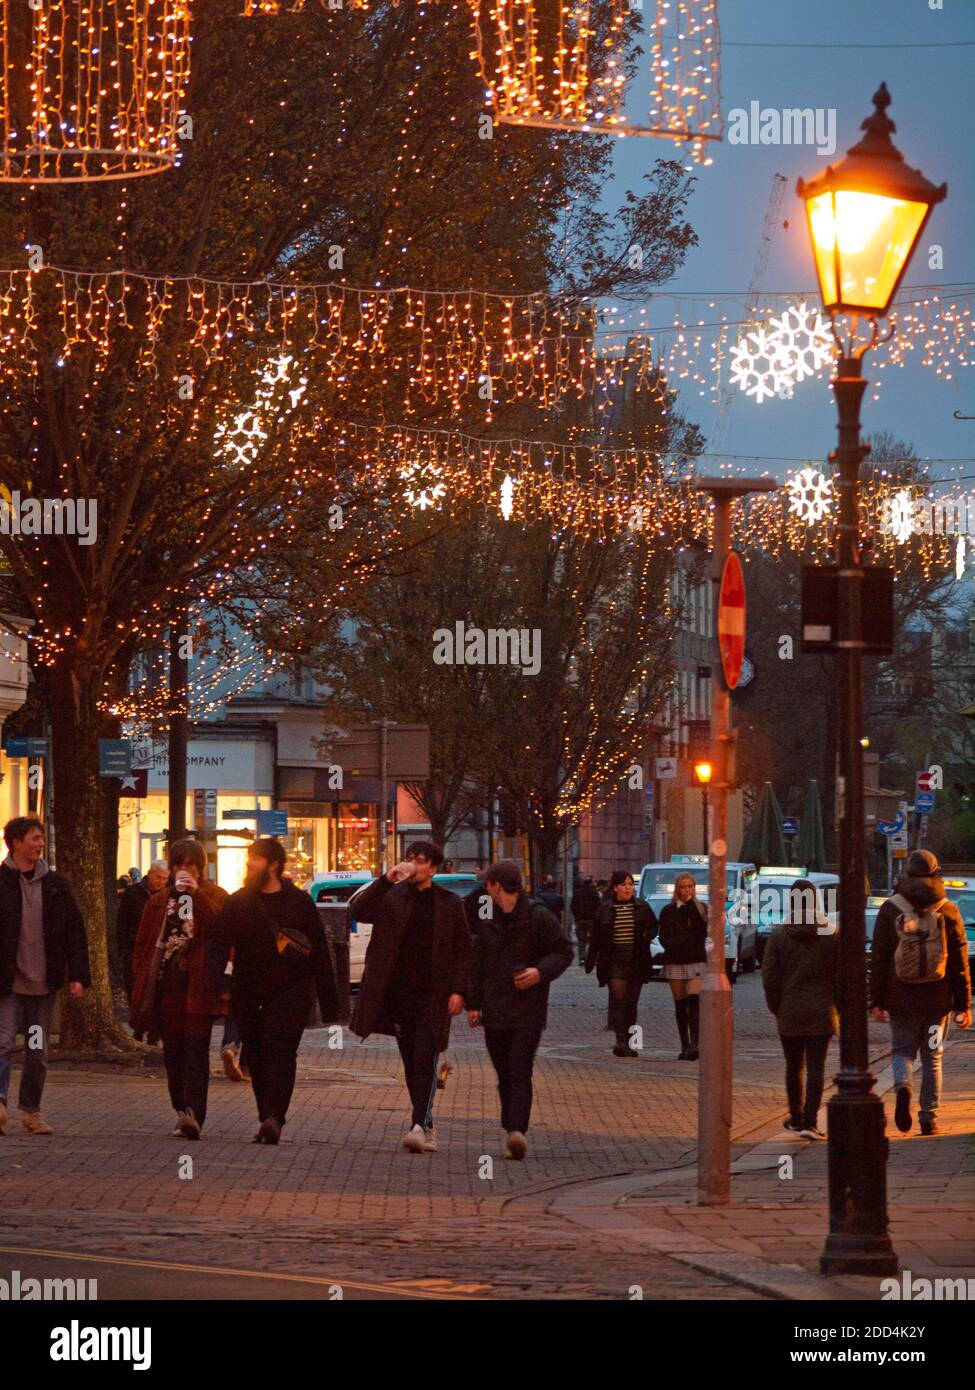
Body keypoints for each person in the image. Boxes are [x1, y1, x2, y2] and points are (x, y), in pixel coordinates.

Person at [212, 838, 338, 1144]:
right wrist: (218, 984)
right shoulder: (238, 901)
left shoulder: (298, 902)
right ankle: (265, 1114)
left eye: (255, 859)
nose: (249, 864)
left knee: (281, 1052)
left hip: (291, 992)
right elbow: (217, 945)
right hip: (248, 991)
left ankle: (275, 1116)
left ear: (273, 864)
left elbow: (319, 949)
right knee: (255, 1053)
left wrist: (329, 1000)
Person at [351, 841, 470, 1155]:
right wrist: (385, 880)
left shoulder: (449, 904)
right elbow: (358, 910)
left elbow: (462, 951)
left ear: (432, 868)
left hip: (433, 995)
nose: (413, 864)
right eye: (409, 858)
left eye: (420, 860)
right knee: (410, 1060)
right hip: (399, 995)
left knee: (425, 1058)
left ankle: (420, 1124)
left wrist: (459, 991)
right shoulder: (393, 897)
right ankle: (425, 1122)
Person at [467, 861, 572, 1158]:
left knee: (519, 1067)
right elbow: (478, 963)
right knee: (504, 1070)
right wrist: (473, 1004)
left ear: (496, 886)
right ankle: (510, 1125)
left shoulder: (538, 915)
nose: (486, 889)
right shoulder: (488, 917)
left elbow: (563, 951)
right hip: (495, 1008)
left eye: (488, 884)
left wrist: (539, 972)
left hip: (528, 1008)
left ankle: (516, 1130)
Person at [130, 840, 229, 1140]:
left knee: (196, 1051)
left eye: (190, 866)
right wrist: (139, 979)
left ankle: (194, 1114)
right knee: (173, 1052)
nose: (184, 871)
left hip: (199, 986)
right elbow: (143, 943)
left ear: (201, 869)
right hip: (167, 986)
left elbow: (219, 933)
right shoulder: (159, 900)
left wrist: (196, 897)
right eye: (179, 865)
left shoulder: (215, 897)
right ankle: (181, 1109)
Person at [870, 849, 971, 1137]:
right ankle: (929, 1118)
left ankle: (903, 1085)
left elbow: (879, 957)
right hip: (937, 1002)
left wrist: (876, 1000)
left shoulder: (891, 908)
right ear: (936, 873)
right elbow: (959, 959)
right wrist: (963, 1003)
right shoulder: (947, 909)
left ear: (908, 873)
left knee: (903, 1051)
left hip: (901, 999)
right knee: (932, 1056)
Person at [0, 816, 90, 1136]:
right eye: (34, 838)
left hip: (43, 983)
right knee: (4, 1042)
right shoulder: (2, 881)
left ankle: (31, 1112)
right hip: (8, 984)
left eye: (40, 838)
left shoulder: (55, 885)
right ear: (16, 842)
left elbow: (74, 931)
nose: (39, 844)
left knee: (37, 1051)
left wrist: (78, 974)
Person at [761, 878, 838, 1139]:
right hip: (822, 1009)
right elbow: (840, 975)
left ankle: (795, 1115)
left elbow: (770, 977)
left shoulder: (780, 933)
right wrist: (837, 1006)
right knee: (817, 1065)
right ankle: (810, 1120)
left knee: (794, 1065)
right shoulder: (830, 933)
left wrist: (777, 1007)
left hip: (790, 1009)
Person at [586, 871, 657, 1057]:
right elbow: (596, 937)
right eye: (624, 884)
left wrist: (646, 936)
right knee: (619, 1000)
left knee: (632, 1003)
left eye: (630, 884)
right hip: (614, 960)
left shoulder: (642, 907)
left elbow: (653, 926)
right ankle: (620, 1041)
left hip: (636, 959)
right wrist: (591, 959)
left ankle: (632, 1041)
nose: (628, 888)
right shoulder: (605, 909)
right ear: (615, 887)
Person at [658, 871, 708, 1060]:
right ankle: (684, 1044)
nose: (687, 890)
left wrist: (691, 910)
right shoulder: (668, 910)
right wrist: (675, 944)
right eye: (683, 886)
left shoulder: (701, 909)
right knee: (680, 1005)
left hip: (695, 960)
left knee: (694, 1000)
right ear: (677, 889)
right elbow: (663, 936)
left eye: (690, 886)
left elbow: (702, 933)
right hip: (675, 960)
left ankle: (696, 1043)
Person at [116, 859, 168, 1007]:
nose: (161, 882)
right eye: (158, 877)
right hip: (134, 949)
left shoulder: (167, 895)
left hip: (157, 950)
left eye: (164, 879)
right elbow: (122, 923)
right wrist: (124, 951)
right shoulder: (133, 893)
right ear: (150, 874)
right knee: (134, 988)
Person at [570, 876, 601, 969]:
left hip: (580, 920)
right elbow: (598, 906)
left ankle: (582, 958)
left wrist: (576, 916)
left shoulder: (577, 893)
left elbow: (573, 906)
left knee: (581, 940)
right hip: (591, 920)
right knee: (593, 940)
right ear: (590, 883)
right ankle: (592, 958)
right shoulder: (594, 893)